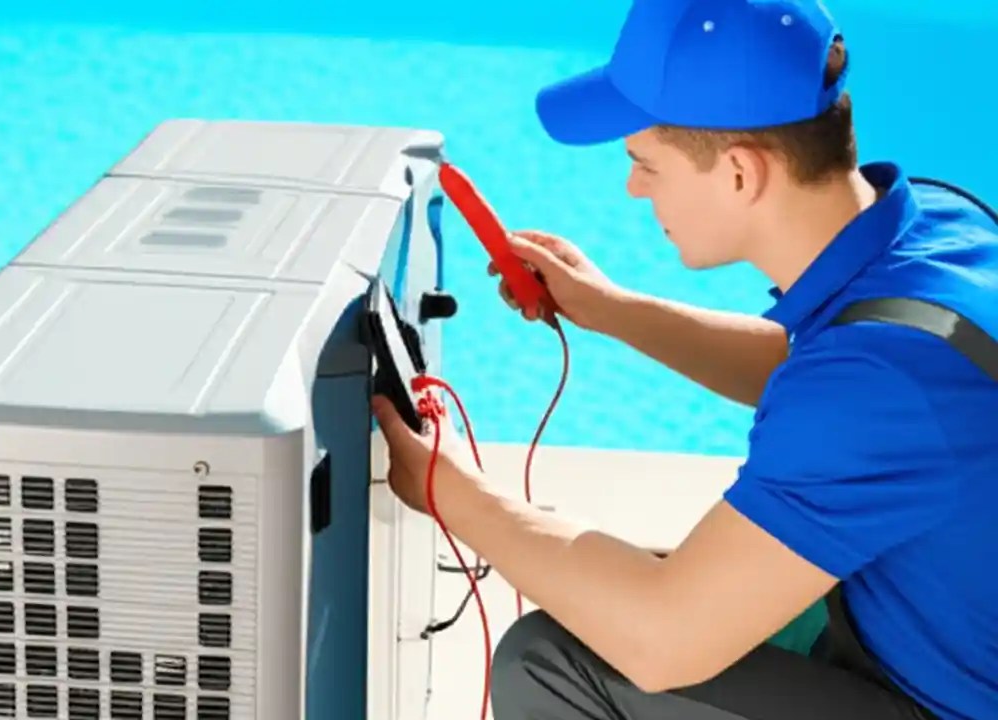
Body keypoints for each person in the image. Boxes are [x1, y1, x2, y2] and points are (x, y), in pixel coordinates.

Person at [370, 1, 998, 718]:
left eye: (645, 163)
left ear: (739, 174)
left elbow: (664, 641)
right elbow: (814, 371)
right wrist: (611, 309)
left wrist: (448, 492)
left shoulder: (875, 386)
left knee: (555, 660)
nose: (634, 187)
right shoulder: (939, 230)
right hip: (927, 631)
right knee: (624, 583)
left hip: (940, 697)